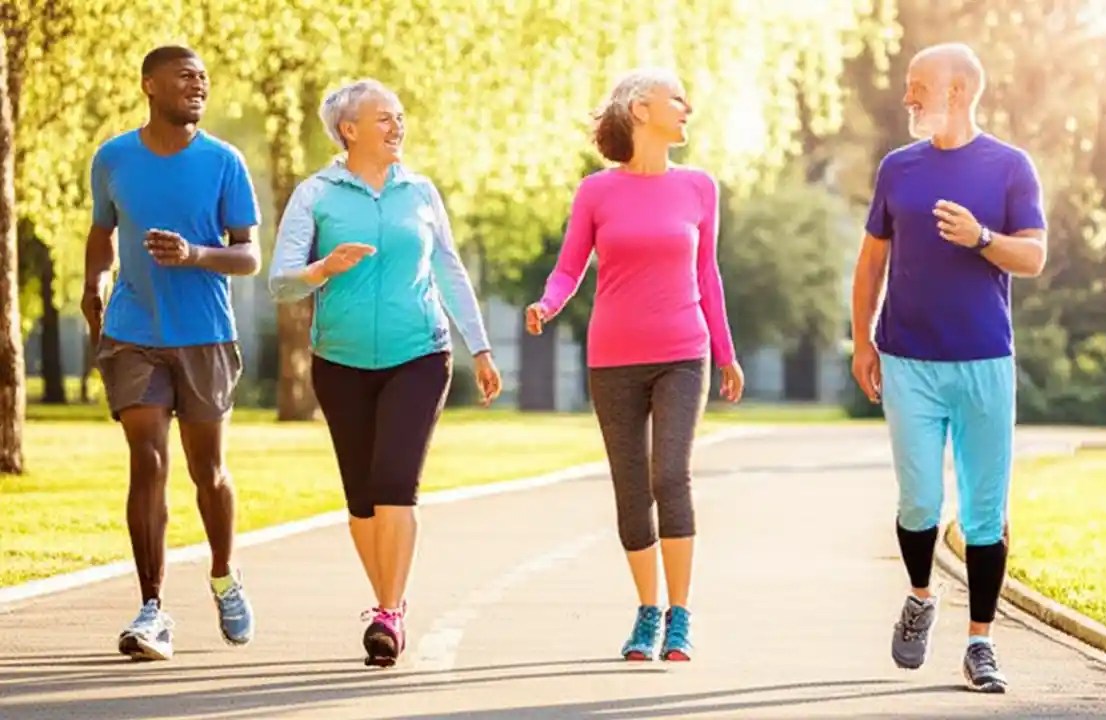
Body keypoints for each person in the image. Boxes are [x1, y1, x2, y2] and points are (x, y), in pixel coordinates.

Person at [268, 78, 502, 668]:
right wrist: (323, 268)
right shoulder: (315, 194)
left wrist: (479, 347)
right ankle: (385, 603)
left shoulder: (420, 192)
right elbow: (280, 281)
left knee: (396, 483)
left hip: (419, 354)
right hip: (340, 362)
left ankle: (389, 612)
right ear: (348, 130)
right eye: (384, 118)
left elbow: (449, 270)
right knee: (362, 500)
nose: (398, 127)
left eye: (399, 116)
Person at [524, 67, 745, 663]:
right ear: (641, 109)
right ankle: (647, 611)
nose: (687, 108)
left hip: (683, 354)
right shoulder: (596, 192)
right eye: (677, 98)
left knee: (669, 474)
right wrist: (547, 304)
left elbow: (707, 275)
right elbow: (569, 267)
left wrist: (725, 353)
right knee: (630, 489)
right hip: (614, 359)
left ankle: (681, 614)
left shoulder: (699, 187)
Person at [851, 42, 1048, 693]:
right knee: (919, 501)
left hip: (985, 361)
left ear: (957, 91)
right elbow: (871, 261)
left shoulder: (1011, 168)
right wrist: (861, 340)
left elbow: (1034, 257)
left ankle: (980, 643)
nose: (907, 97)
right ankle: (920, 595)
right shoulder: (898, 169)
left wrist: (981, 238)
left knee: (985, 512)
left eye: (918, 85)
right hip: (907, 359)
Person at [81, 45, 262, 661]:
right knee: (148, 460)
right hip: (133, 330)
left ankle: (224, 576)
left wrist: (194, 255)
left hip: (205, 332)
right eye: (185, 76)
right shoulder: (113, 158)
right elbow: (102, 232)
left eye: (204, 78)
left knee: (207, 471)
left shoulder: (223, 161)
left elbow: (248, 255)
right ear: (149, 85)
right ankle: (152, 608)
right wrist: (94, 284)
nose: (198, 85)